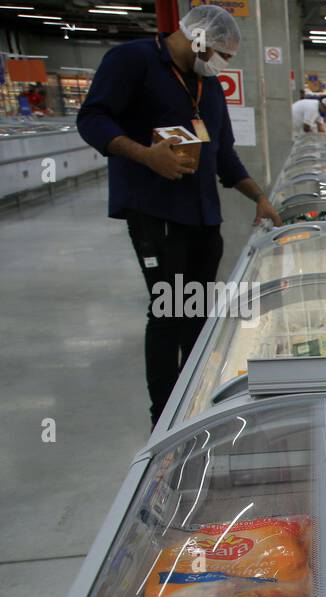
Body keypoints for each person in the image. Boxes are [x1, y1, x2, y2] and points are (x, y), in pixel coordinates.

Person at [77, 4, 281, 426]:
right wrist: (146, 156)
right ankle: (166, 418)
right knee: (169, 310)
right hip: (157, 213)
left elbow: (223, 155)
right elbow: (92, 118)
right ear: (199, 37)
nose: (218, 63)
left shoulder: (209, 88)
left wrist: (258, 196)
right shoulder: (133, 60)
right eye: (218, 53)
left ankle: (196, 400)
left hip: (204, 217)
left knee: (199, 309)